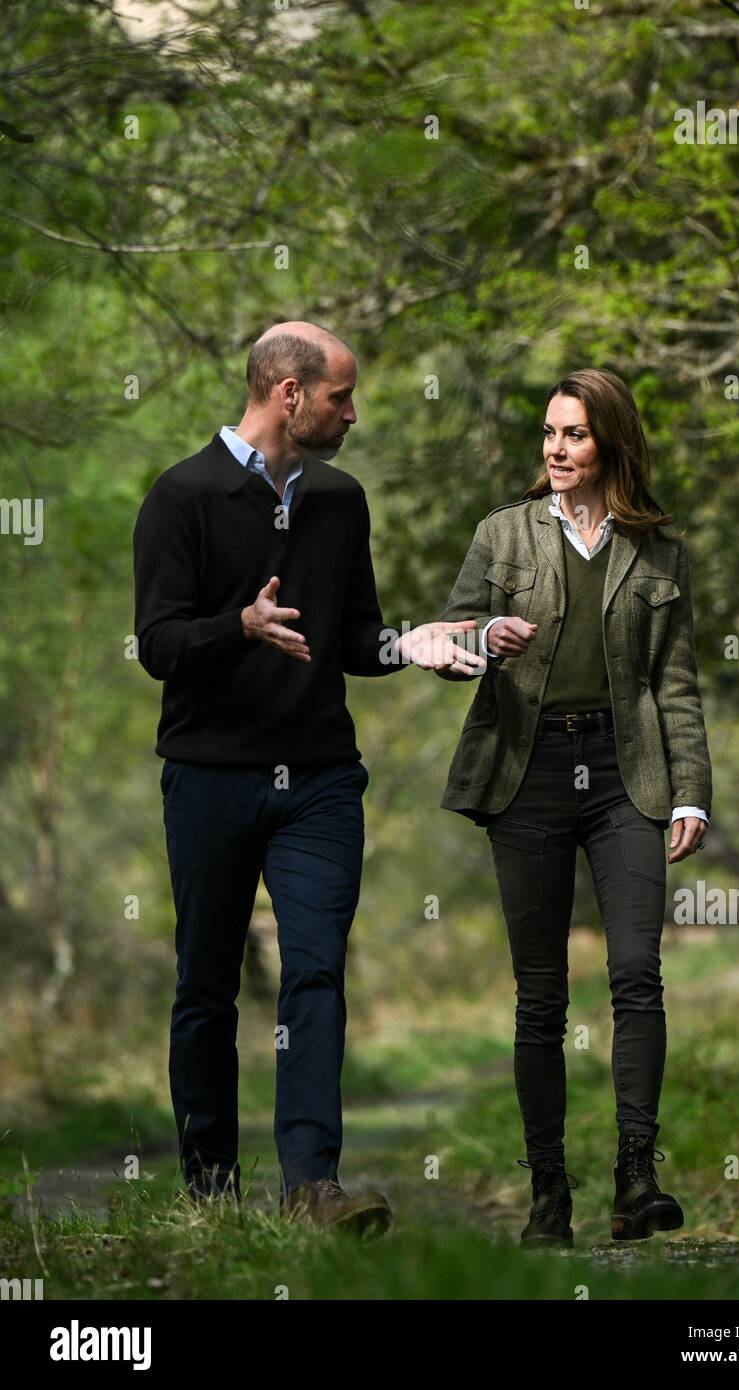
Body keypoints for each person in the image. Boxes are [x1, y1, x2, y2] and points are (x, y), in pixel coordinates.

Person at [133, 320, 483, 1237]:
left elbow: (355, 636)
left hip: (321, 780)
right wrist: (237, 627)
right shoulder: (182, 496)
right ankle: (211, 1193)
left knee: (316, 969)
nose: (353, 413)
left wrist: (416, 646)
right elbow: (159, 645)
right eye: (341, 397)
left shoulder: (340, 500)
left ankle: (311, 1186)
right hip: (210, 779)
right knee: (206, 985)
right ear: (289, 394)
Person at [436, 368, 712, 1246]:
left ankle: (638, 1180)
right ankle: (548, 1192)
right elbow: (447, 639)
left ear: (611, 444)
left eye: (575, 435)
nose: (556, 449)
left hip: (629, 775)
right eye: (549, 434)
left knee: (637, 976)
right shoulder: (501, 534)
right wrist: (482, 639)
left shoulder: (658, 549)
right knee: (541, 996)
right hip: (530, 771)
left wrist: (692, 792)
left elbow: (677, 682)